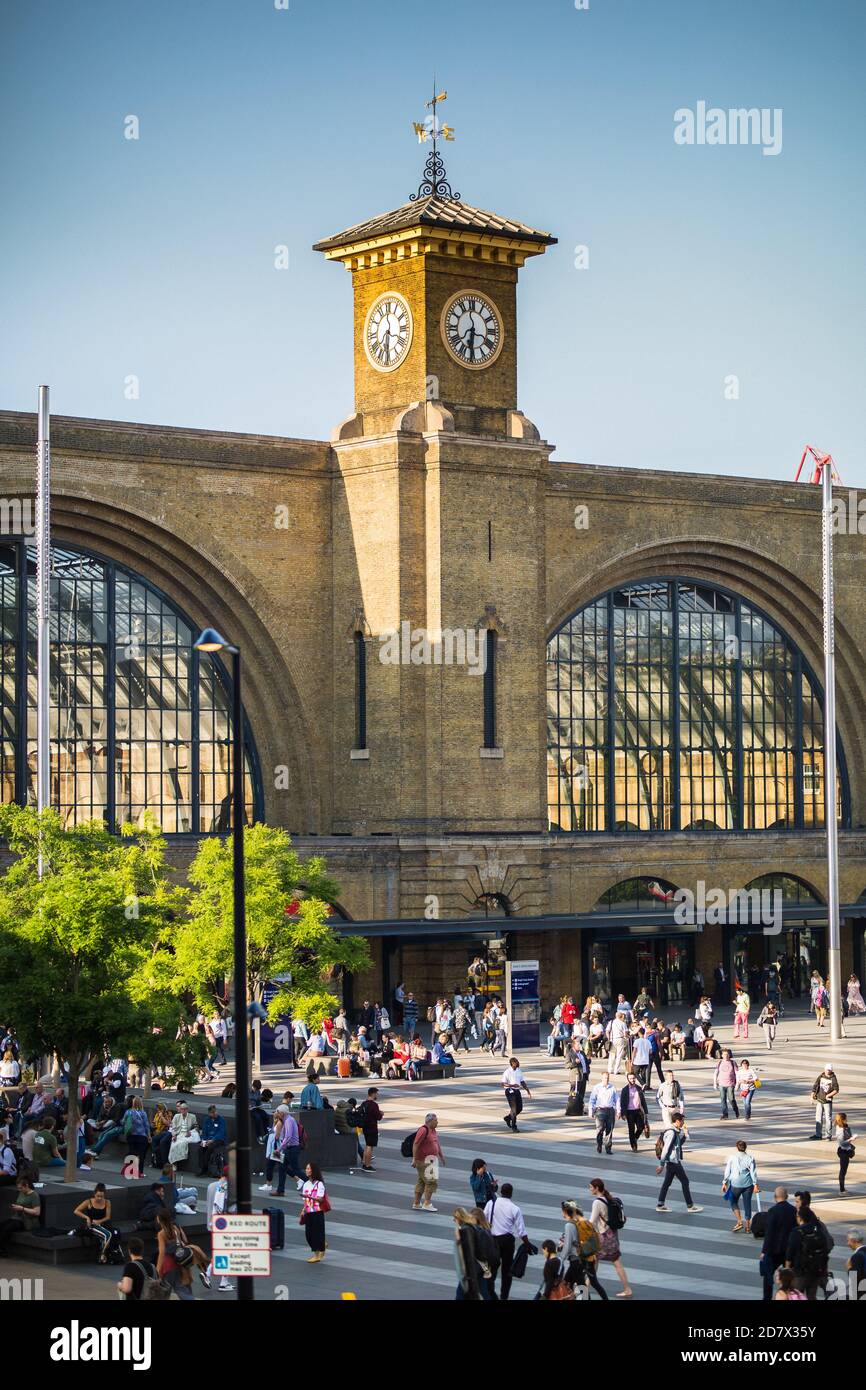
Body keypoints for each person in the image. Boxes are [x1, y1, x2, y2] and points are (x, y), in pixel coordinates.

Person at [483, 1181, 531, 1303]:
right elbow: (521, 1231)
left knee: (492, 1268)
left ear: (501, 1192)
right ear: (511, 1193)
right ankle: (504, 1296)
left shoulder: (491, 1203)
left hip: (493, 1240)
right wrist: (528, 1244)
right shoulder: (515, 1208)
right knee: (507, 1270)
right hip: (507, 1241)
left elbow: (482, 1218)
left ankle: (490, 1292)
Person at [589, 1178, 631, 1296]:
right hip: (612, 1234)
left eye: (591, 1187)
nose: (590, 1189)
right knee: (604, 1261)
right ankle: (586, 1286)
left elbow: (591, 1222)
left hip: (603, 1237)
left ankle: (627, 1289)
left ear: (596, 1188)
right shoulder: (609, 1198)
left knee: (595, 1260)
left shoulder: (597, 1202)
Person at [559, 1199, 606, 1300]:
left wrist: (560, 1259)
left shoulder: (570, 1225)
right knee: (570, 1283)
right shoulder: (578, 1223)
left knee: (580, 1286)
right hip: (582, 1259)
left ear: (565, 1211)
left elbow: (568, 1246)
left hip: (577, 1260)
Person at [655, 1114, 703, 1213]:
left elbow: (677, 1145)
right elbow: (666, 1149)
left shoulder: (675, 1131)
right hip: (674, 1162)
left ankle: (660, 1204)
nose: (683, 1123)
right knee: (685, 1182)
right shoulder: (671, 1133)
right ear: (677, 1121)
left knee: (667, 1183)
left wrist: (685, 1136)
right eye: (682, 1121)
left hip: (672, 1162)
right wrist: (661, 1164)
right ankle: (690, 1206)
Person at [785, 1204, 830, 1300]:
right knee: (811, 1296)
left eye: (797, 1216)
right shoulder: (817, 1229)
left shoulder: (797, 1231)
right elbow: (825, 1248)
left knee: (796, 1295)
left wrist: (787, 1269)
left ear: (800, 1218)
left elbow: (790, 1252)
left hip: (800, 1271)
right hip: (815, 1270)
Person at [759, 1186, 796, 1302]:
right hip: (788, 1251)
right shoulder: (793, 1210)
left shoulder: (773, 1211)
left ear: (775, 1197)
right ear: (786, 1196)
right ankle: (788, 1296)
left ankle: (767, 1297)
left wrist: (764, 1251)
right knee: (788, 1277)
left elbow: (769, 1233)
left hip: (774, 1250)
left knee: (768, 1276)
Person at [72, 1182, 120, 1265]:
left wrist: (99, 1221)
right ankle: (102, 1255)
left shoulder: (107, 1202)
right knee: (107, 1235)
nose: (100, 1198)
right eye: (98, 1196)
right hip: (92, 1225)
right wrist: (87, 1217)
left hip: (102, 1224)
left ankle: (103, 1254)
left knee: (112, 1233)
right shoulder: (89, 1202)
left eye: (102, 1196)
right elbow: (76, 1211)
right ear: (94, 1194)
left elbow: (108, 1217)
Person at [722, 1139, 759, 1233]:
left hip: (736, 1184)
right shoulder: (750, 1158)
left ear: (737, 1147)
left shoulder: (732, 1157)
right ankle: (747, 1227)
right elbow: (753, 1172)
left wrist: (724, 1182)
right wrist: (755, 1184)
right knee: (747, 1204)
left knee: (733, 1201)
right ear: (745, 1148)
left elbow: (727, 1170)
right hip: (748, 1184)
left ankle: (739, 1221)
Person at [412, 1112, 444, 1212]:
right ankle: (427, 1203)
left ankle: (416, 1203)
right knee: (431, 1181)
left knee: (421, 1181)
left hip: (431, 1159)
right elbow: (416, 1144)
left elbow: (436, 1143)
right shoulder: (423, 1130)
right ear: (429, 1121)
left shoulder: (433, 1130)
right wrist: (414, 1158)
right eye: (435, 1120)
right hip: (424, 1160)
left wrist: (441, 1155)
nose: (437, 1122)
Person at [0, 1175, 40, 1255]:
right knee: (1, 1225)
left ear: (27, 1186)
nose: (19, 1190)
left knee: (7, 1229)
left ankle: (2, 1249)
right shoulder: (22, 1193)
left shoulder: (34, 1196)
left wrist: (22, 1208)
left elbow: (37, 1212)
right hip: (17, 1217)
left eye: (21, 1188)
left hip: (26, 1220)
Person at [300, 1161, 328, 1263]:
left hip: (317, 1212)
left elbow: (321, 1199)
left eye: (308, 1169)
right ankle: (322, 1244)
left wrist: (310, 1197)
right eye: (306, 1168)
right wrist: (303, 1210)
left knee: (317, 1234)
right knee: (309, 1235)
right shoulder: (306, 1184)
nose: (306, 1170)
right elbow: (305, 1201)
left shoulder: (319, 1184)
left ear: (313, 1171)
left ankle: (316, 1255)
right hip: (308, 1212)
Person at [117, 1236, 160, 1301]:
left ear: (129, 1251)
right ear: (142, 1250)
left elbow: (127, 1288)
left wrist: (120, 1285)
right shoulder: (152, 1266)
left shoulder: (130, 1267)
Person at [588, 1071, 620, 1155]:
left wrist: (618, 1111)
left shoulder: (612, 1088)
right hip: (600, 1110)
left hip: (610, 1110)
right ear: (602, 1078)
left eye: (608, 1078)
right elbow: (592, 1100)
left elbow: (617, 1100)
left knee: (609, 1130)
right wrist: (591, 1110)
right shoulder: (597, 1087)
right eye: (605, 1078)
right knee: (600, 1129)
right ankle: (599, 1144)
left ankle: (608, 1147)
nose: (607, 1079)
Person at [501, 1057, 532, 1132]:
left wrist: (527, 1090)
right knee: (514, 1110)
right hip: (510, 1091)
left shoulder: (519, 1071)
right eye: (516, 1062)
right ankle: (514, 1127)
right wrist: (512, 1085)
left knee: (520, 1108)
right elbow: (502, 1084)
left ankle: (508, 1118)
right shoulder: (507, 1072)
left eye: (518, 1062)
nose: (518, 1063)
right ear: (512, 1064)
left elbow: (522, 1081)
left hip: (517, 1091)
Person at [620, 1071, 648, 1152]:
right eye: (630, 1078)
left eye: (633, 1078)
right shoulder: (625, 1090)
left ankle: (635, 1138)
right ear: (628, 1079)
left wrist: (645, 1111)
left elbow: (643, 1100)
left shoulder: (638, 1088)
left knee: (641, 1127)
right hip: (629, 1112)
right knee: (631, 1129)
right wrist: (623, 1113)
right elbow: (622, 1102)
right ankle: (633, 1145)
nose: (632, 1080)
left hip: (638, 1111)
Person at [810, 1064, 840, 1140]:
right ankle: (818, 1135)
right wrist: (812, 1096)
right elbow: (815, 1086)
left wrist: (829, 1095)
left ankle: (828, 1136)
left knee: (828, 1119)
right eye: (827, 1069)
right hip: (819, 1100)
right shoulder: (821, 1076)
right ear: (824, 1069)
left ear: (831, 1070)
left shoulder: (833, 1078)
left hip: (827, 1102)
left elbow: (836, 1090)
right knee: (818, 1118)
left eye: (829, 1070)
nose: (828, 1071)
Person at [357, 1086, 383, 1171]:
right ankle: (367, 1166)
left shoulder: (364, 1103)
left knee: (367, 1145)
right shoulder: (374, 1105)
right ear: (373, 1094)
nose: (377, 1095)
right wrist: (381, 1113)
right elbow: (378, 1117)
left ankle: (364, 1162)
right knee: (370, 1146)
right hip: (372, 1127)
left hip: (365, 1127)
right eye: (376, 1094)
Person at [197, 1105, 227, 1176]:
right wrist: (203, 1141)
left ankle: (206, 1168)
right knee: (200, 1148)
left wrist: (212, 1140)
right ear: (209, 1113)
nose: (215, 1113)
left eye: (215, 1111)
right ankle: (202, 1168)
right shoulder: (206, 1120)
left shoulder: (221, 1120)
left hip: (218, 1140)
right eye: (212, 1112)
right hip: (208, 1139)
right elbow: (204, 1132)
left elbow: (221, 1133)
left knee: (210, 1148)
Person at [565, 1038, 590, 1114]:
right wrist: (575, 1063)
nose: (579, 1046)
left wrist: (589, 1061)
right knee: (574, 1093)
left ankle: (580, 1108)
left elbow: (585, 1063)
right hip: (576, 1077)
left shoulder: (582, 1053)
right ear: (573, 1045)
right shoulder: (570, 1054)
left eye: (580, 1044)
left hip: (584, 1076)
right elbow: (567, 1065)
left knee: (582, 1093)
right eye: (578, 1044)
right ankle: (572, 1108)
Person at [714, 1049, 739, 1119]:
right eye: (724, 1054)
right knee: (723, 1099)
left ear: (729, 1055)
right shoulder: (719, 1063)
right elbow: (716, 1073)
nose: (726, 1056)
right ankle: (725, 1114)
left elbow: (737, 1073)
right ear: (722, 1055)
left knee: (731, 1099)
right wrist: (715, 1083)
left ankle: (736, 1109)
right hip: (721, 1084)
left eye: (727, 1054)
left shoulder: (733, 1062)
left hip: (730, 1084)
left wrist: (737, 1084)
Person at [835, 1112, 856, 1193]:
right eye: (845, 1118)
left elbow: (848, 1136)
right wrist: (851, 1139)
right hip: (843, 1151)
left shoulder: (846, 1127)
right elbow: (842, 1143)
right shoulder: (840, 1130)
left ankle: (842, 1188)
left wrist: (851, 1137)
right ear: (842, 1120)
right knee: (843, 1170)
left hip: (846, 1150)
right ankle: (842, 1189)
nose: (847, 1119)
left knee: (844, 1170)